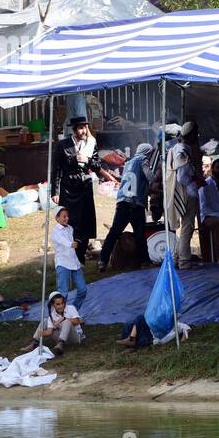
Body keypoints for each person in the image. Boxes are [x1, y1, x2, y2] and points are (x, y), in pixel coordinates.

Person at [51, 116, 116, 263]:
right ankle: (71, 254)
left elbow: (97, 166)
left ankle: (81, 255)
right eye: (80, 128)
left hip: (85, 186)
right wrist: (54, 191)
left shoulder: (91, 144)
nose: (84, 131)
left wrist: (86, 160)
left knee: (86, 220)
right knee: (70, 220)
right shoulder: (63, 145)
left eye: (85, 127)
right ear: (74, 130)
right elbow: (56, 169)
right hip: (69, 187)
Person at [98, 142, 154, 271]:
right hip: (135, 203)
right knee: (140, 234)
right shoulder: (143, 160)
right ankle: (145, 261)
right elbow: (150, 177)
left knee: (114, 232)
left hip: (123, 201)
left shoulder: (128, 163)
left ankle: (103, 260)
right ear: (147, 152)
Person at [165, 122, 202, 269]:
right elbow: (182, 177)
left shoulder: (176, 149)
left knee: (186, 227)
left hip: (181, 192)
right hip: (186, 193)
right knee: (188, 227)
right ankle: (184, 260)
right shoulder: (182, 152)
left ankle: (176, 257)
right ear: (191, 135)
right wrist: (196, 179)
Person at [22, 291, 83, 356]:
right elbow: (49, 332)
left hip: (74, 338)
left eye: (62, 303)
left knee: (67, 321)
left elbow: (77, 321)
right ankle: (35, 343)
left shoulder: (70, 308)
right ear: (52, 304)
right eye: (58, 304)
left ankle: (60, 344)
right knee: (45, 320)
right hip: (60, 337)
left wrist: (64, 318)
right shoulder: (52, 315)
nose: (61, 306)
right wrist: (43, 333)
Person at [50, 206, 88, 309]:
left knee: (83, 289)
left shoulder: (70, 228)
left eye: (67, 216)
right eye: (64, 216)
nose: (67, 218)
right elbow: (61, 240)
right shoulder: (55, 231)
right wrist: (70, 244)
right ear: (57, 218)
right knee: (63, 293)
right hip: (63, 263)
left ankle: (73, 311)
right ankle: (60, 315)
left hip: (74, 262)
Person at [199, 154, 219, 269]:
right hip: (208, 216)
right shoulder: (206, 184)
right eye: (218, 168)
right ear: (212, 169)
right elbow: (203, 208)